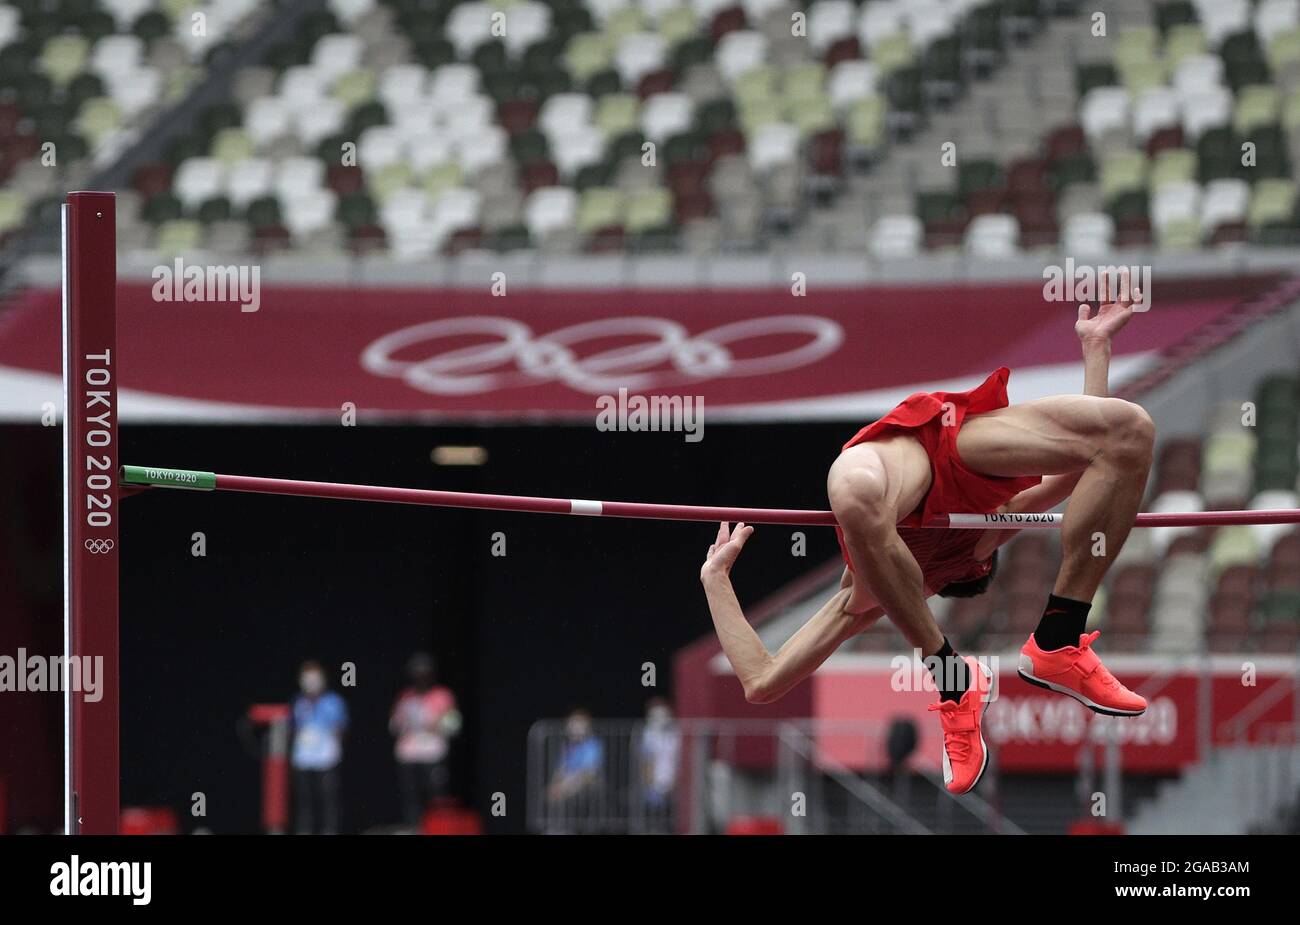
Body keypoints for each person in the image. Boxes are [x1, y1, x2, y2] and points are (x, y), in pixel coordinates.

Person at [699, 270, 1152, 795]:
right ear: (980, 568)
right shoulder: (985, 532)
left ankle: (1032, 648)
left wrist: (715, 579)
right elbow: (1081, 460)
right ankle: (1002, 656)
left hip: (916, 460)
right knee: (1127, 430)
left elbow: (762, 683)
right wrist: (1097, 349)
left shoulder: (877, 593)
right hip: (944, 447)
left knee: (856, 496)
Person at [389, 652, 461, 828]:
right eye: (417, 673)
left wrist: (437, 724)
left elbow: (454, 724)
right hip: (409, 754)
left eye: (424, 673)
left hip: (432, 753)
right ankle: (414, 828)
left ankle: (437, 827)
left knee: (435, 795)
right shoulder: (406, 697)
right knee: (411, 796)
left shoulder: (443, 696)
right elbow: (394, 724)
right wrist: (404, 723)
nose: (420, 677)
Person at [290, 660, 348, 834]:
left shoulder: (334, 701)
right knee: (304, 800)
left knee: (328, 799)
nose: (311, 682)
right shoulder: (298, 702)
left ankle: (329, 830)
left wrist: (334, 747)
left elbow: (341, 728)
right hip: (303, 758)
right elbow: (293, 728)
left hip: (326, 758)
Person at [545, 708, 604, 833]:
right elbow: (561, 769)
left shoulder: (593, 745)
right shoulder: (568, 746)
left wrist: (566, 787)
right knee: (551, 791)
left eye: (579, 724)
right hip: (569, 783)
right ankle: (557, 828)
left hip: (587, 784)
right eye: (572, 724)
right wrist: (555, 784)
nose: (575, 728)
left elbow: (588, 773)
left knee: (566, 792)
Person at [637, 697, 680, 833]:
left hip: (672, 780)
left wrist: (674, 781)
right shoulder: (648, 734)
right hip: (654, 783)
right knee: (654, 810)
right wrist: (651, 782)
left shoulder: (675, 733)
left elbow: (678, 759)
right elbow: (646, 761)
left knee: (672, 811)